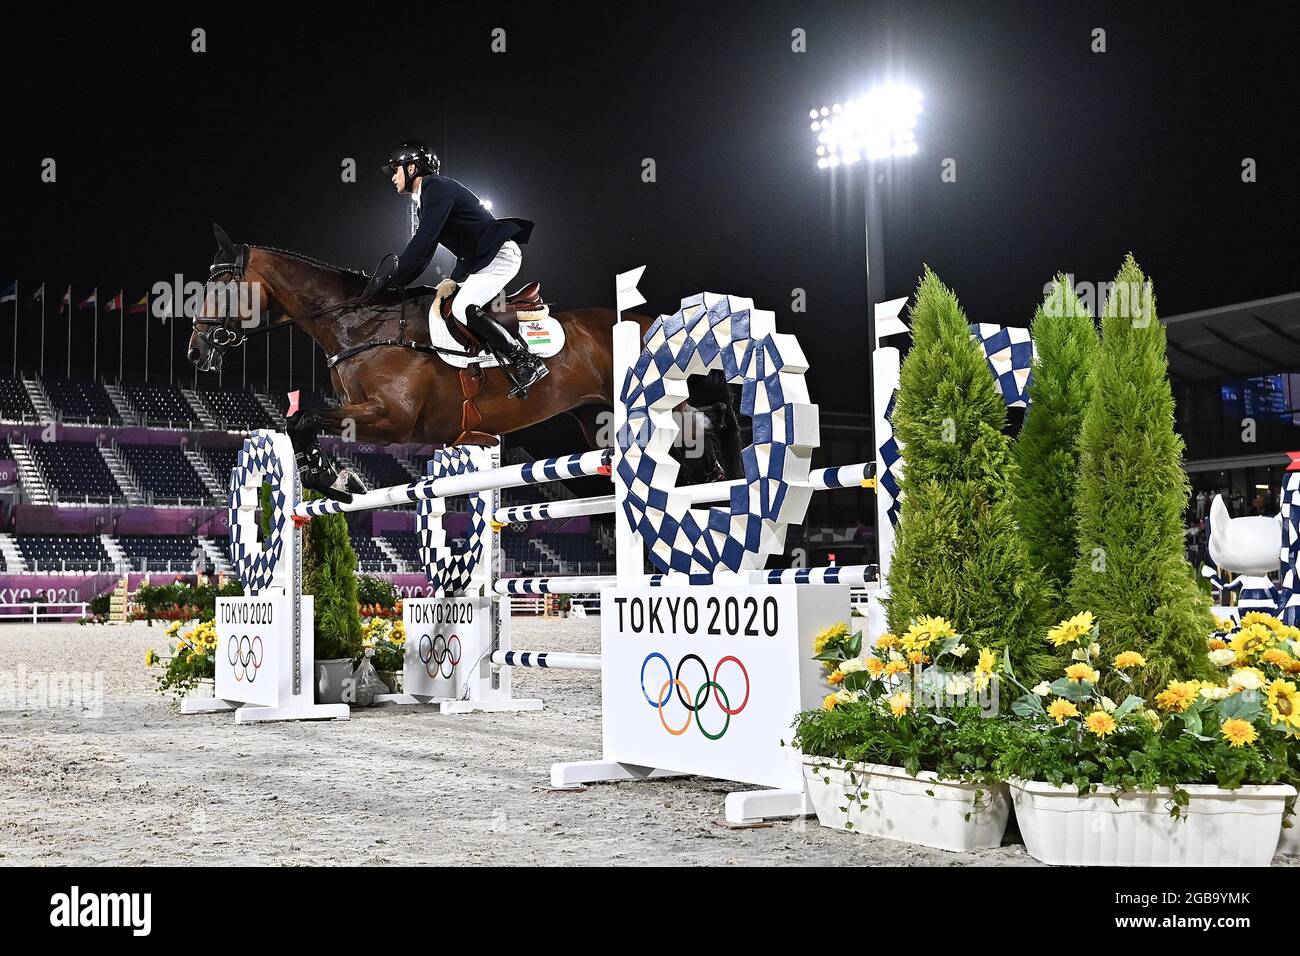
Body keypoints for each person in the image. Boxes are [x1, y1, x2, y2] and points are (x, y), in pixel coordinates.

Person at [364, 140, 548, 398]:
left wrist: (393, 279)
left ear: (413, 168)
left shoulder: (434, 187)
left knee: (462, 307)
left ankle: (525, 359)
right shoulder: (428, 196)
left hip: (499, 254)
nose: (393, 177)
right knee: (447, 302)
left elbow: (423, 241)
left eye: (396, 169)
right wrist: (398, 283)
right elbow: (425, 251)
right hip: (481, 259)